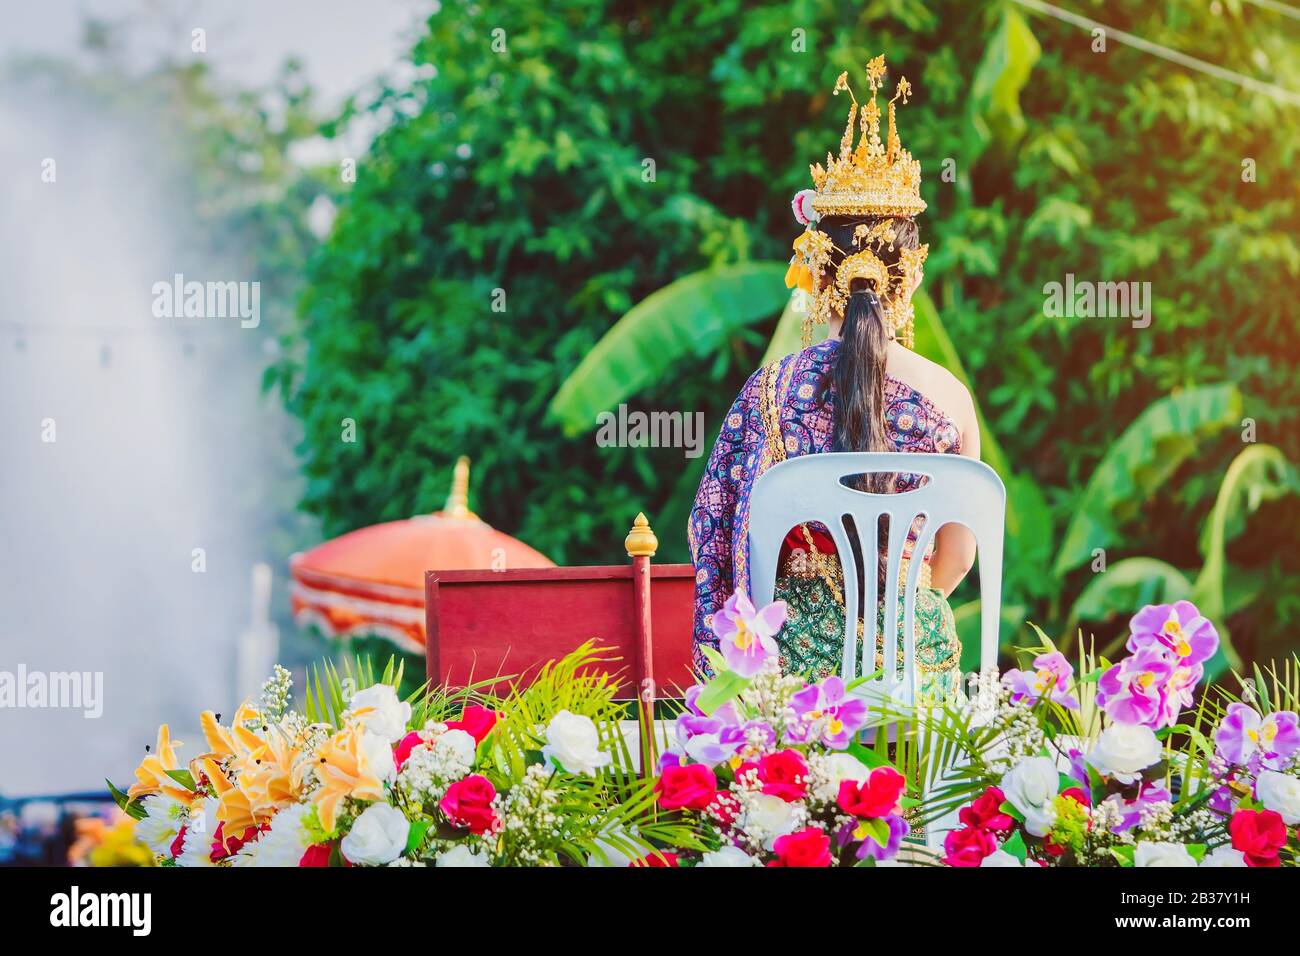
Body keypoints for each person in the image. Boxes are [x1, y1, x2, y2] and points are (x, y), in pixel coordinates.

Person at [689, 56, 981, 699]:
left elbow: (715, 531)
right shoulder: (951, 400)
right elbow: (957, 559)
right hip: (918, 670)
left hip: (795, 676)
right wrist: (890, 604)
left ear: (819, 271)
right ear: (912, 273)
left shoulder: (768, 391)